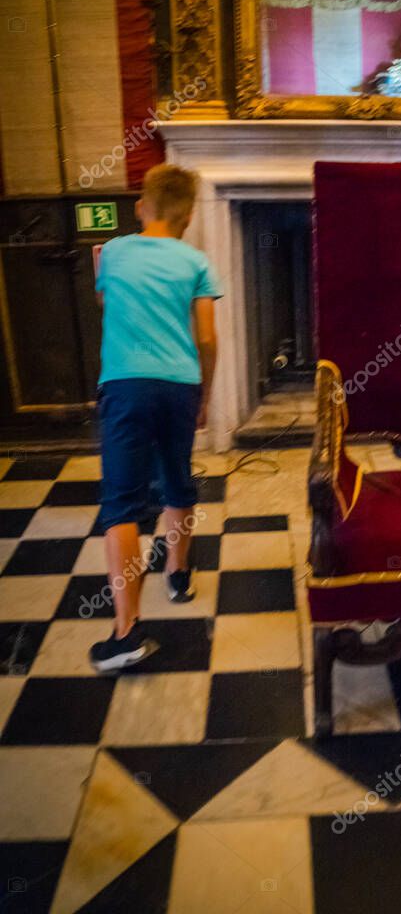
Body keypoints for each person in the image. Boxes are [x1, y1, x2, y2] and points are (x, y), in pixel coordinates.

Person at [89, 163, 221, 672]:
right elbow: (207, 338)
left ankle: (126, 634)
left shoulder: (116, 250)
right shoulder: (197, 261)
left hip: (124, 384)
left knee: (121, 504)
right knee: (176, 480)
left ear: (142, 207)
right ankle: (179, 574)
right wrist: (204, 394)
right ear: (188, 216)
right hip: (179, 386)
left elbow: (105, 301)